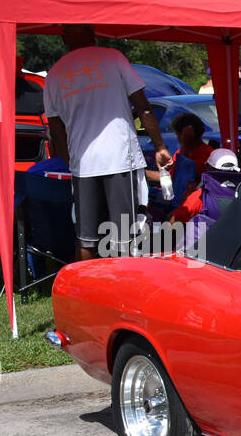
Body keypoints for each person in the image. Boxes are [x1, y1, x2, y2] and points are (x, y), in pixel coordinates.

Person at [44, 25, 170, 260]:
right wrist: (160, 146)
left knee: (86, 239)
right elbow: (143, 107)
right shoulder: (113, 58)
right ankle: (122, 292)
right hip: (120, 159)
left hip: (83, 165)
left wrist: (69, 159)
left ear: (63, 39)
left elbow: (55, 128)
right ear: (93, 35)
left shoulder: (54, 73)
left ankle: (85, 291)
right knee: (124, 236)